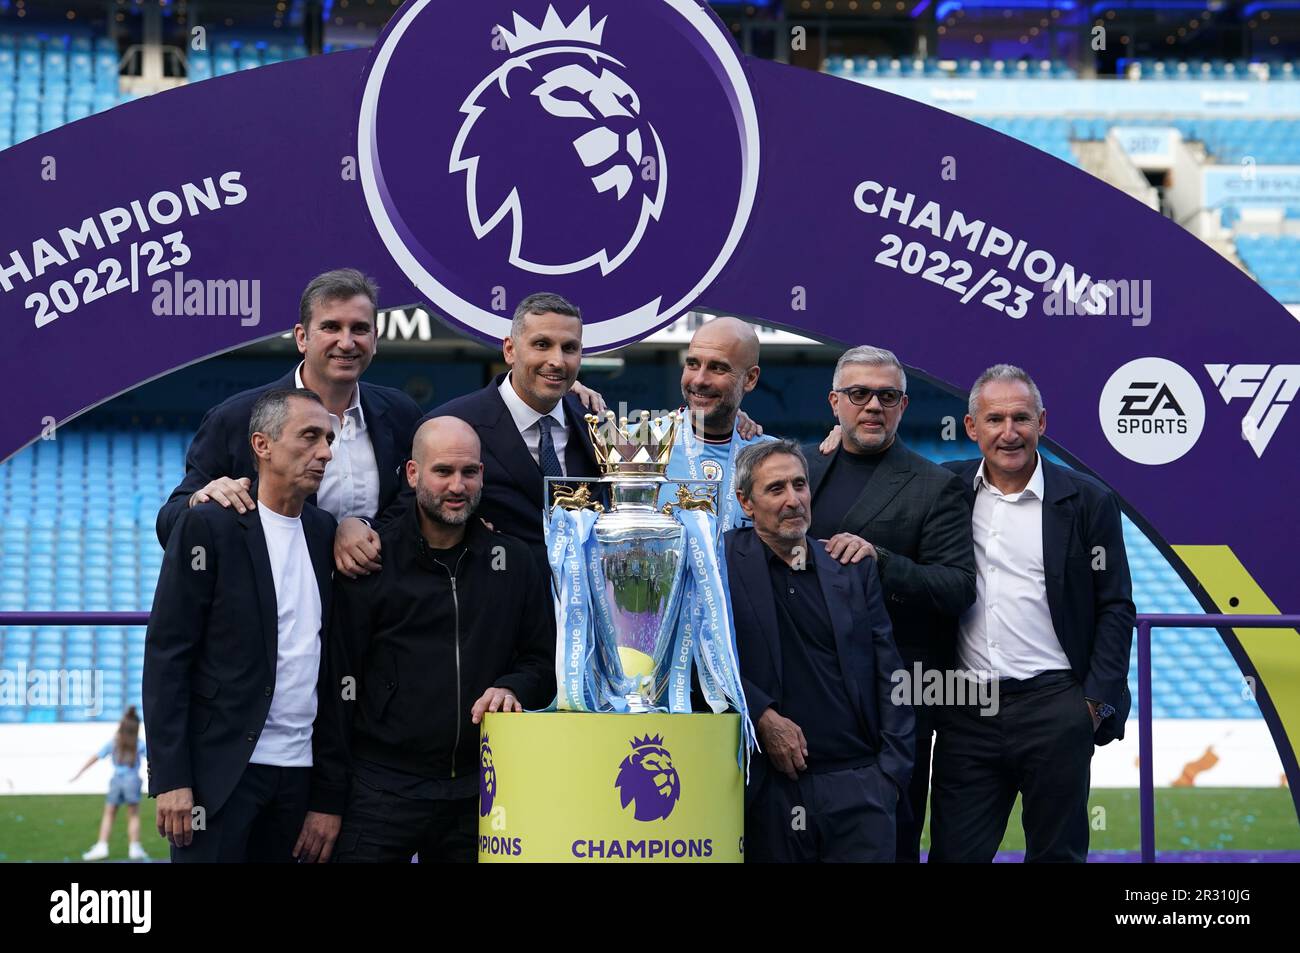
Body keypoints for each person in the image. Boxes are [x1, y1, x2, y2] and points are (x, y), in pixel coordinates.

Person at [296, 417, 554, 864]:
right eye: (443, 472)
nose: (458, 485)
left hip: (481, 790)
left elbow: (541, 662)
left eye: (469, 472)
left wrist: (513, 686)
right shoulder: (369, 563)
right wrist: (326, 799)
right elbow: (336, 691)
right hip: (379, 789)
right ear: (414, 474)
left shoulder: (514, 563)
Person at [928, 365, 1135, 863]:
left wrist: (1092, 705)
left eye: (1021, 417)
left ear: (1042, 423)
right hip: (967, 710)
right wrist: (832, 441)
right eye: (994, 418)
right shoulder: (943, 487)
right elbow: (875, 466)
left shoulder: (1088, 500)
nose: (1009, 431)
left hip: (1056, 708)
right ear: (972, 427)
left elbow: (1116, 605)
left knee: (1057, 855)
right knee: (952, 854)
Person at [143, 388, 339, 863]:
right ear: (262, 445)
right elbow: (168, 655)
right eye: (310, 437)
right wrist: (171, 778)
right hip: (220, 777)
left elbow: (332, 670)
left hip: (300, 779)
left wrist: (328, 798)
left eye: (330, 439)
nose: (326, 452)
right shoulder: (208, 526)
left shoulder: (324, 532)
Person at [807, 345, 975, 862]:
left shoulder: (935, 485)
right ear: (836, 401)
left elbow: (956, 588)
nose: (873, 405)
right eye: (859, 394)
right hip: (802, 696)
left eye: (887, 395)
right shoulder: (798, 470)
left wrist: (880, 560)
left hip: (891, 705)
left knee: (888, 843)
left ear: (903, 406)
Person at [154, 268, 422, 578]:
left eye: (359, 329)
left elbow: (412, 508)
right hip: (274, 613)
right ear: (301, 338)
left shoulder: (403, 414)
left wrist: (362, 527)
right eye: (331, 327)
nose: (346, 343)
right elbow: (169, 523)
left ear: (375, 339)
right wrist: (200, 500)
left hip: (374, 615)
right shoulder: (237, 418)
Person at [726, 439, 914, 862]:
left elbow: (889, 672)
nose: (793, 500)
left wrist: (889, 777)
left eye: (800, 485)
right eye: (776, 489)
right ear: (745, 502)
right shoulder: (719, 564)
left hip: (859, 786)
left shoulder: (850, 567)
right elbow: (705, 659)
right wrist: (761, 714)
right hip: (771, 791)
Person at [391, 293, 602, 570]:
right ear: (510, 350)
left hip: (586, 606)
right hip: (492, 606)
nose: (557, 361)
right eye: (542, 344)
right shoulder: (450, 424)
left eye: (569, 348)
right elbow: (404, 521)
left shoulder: (597, 424)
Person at [71, 705, 149, 861]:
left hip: (117, 781)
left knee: (109, 814)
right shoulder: (139, 744)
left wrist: (80, 772)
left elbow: (96, 757)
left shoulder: (114, 742)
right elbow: (152, 760)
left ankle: (102, 846)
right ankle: (134, 847)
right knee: (133, 815)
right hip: (133, 781)